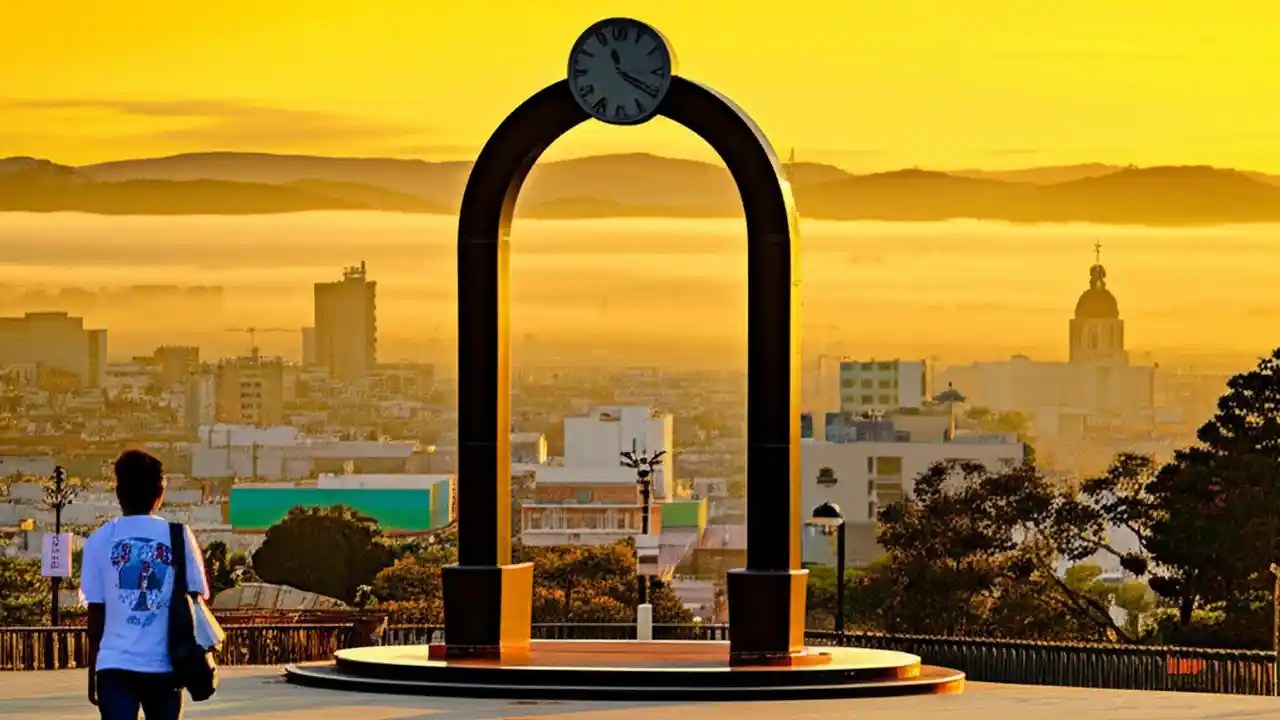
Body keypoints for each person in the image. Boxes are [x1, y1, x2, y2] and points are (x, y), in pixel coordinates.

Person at [82, 449, 208, 720]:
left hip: (114, 666)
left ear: (119, 493)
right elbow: (196, 598)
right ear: (159, 494)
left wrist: (92, 671)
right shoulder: (179, 536)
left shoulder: (99, 540)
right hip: (164, 666)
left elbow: (95, 616)